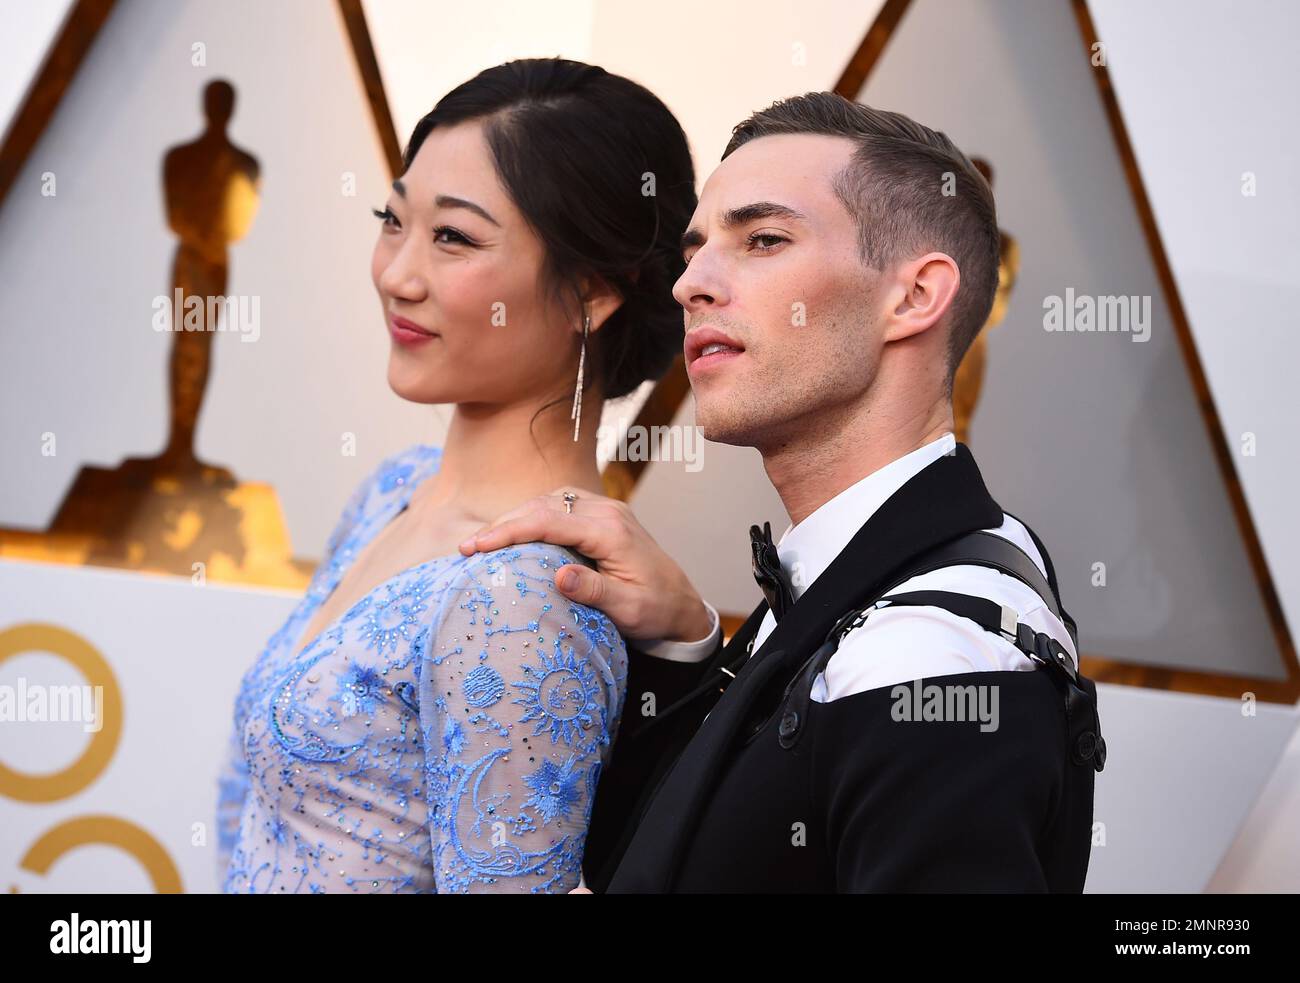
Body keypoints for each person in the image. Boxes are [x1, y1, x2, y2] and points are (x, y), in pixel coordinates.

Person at [462, 92, 1104, 892]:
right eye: (695, 249)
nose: (689, 284)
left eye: (763, 239)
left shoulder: (931, 650)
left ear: (914, 297)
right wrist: (687, 646)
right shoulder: (862, 584)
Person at [215, 58, 703, 893]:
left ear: (591, 292)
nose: (397, 275)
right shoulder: (391, 491)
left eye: (453, 238)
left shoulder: (526, 598)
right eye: (392, 220)